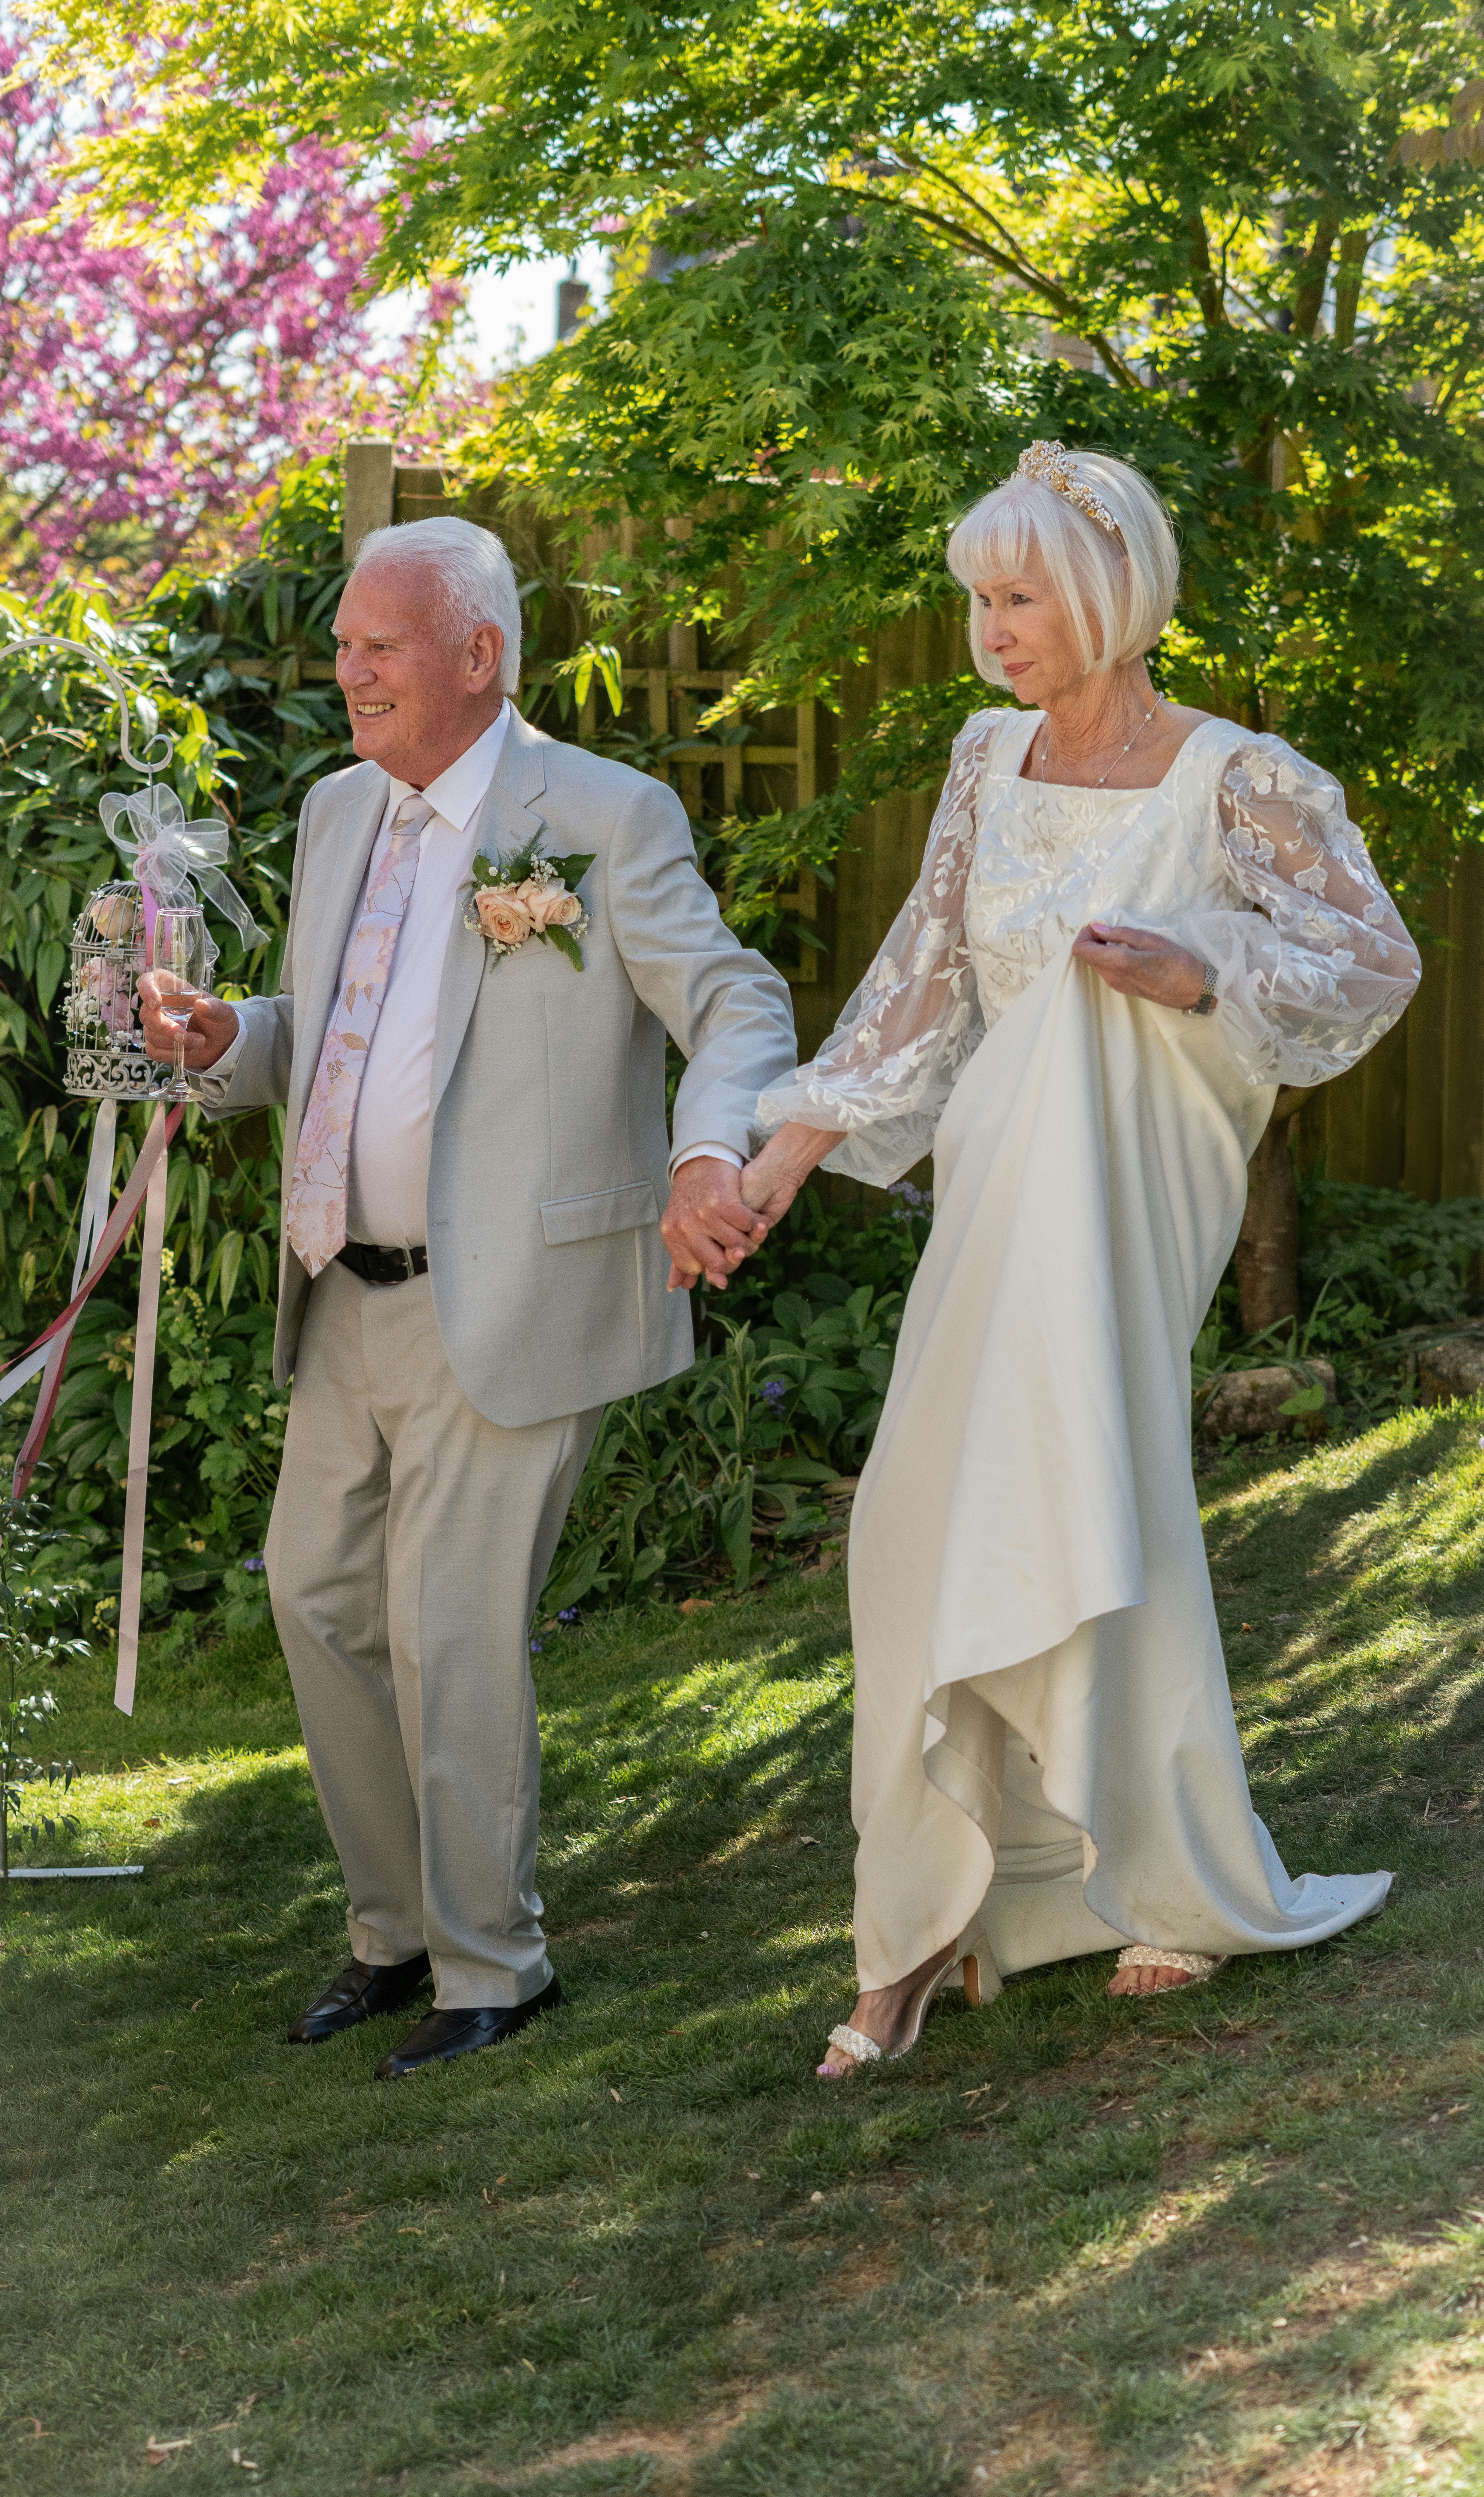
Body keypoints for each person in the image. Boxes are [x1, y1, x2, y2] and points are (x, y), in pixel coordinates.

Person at [740, 439, 1421, 2078]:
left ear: (1110, 595)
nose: (991, 627)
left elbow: (1366, 958)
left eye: (1020, 594)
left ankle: (1162, 1886)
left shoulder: (1234, 774)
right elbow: (916, 991)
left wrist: (1195, 964)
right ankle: (946, 1907)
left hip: (1131, 1193)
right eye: (977, 598)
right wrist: (775, 1155)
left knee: (1085, 1490)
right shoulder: (984, 763)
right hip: (991, 1195)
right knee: (913, 1522)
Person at [138, 515, 795, 2079]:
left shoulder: (603, 816)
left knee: (449, 1630)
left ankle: (496, 1963)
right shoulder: (337, 810)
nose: (349, 667)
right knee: (313, 1599)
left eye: (378, 644)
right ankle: (395, 1935)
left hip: (512, 1295)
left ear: (479, 656)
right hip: (344, 1298)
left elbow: (735, 998)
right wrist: (230, 1034)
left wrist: (714, 1149)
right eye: (348, 642)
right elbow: (340, 1034)